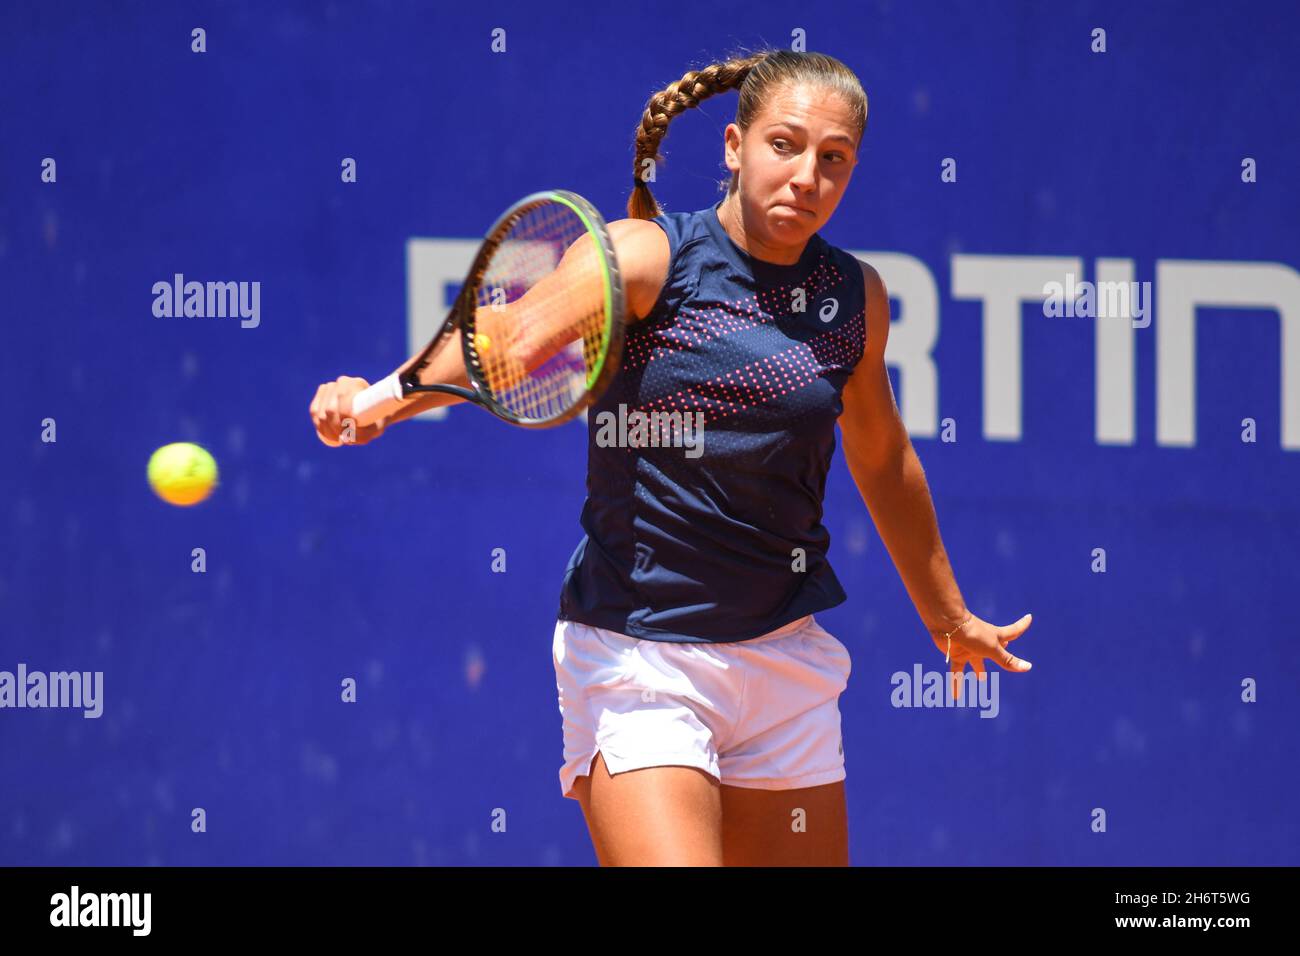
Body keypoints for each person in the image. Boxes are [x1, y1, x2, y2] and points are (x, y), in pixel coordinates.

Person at [310, 48, 1034, 867]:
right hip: (638, 659)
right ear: (733, 146)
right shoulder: (650, 257)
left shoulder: (855, 297)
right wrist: (376, 400)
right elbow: (505, 346)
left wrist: (947, 616)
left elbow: (881, 451)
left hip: (782, 663)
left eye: (834, 160)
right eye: (784, 145)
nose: (807, 176)